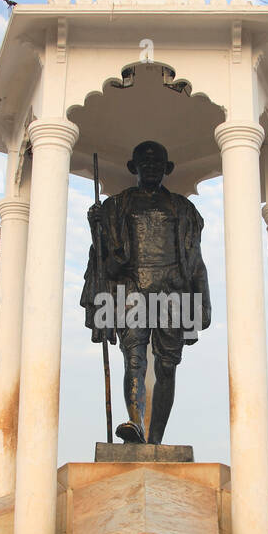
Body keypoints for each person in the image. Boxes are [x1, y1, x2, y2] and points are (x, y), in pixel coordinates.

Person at [80, 141, 211, 445]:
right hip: (132, 292)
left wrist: (200, 299)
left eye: (157, 164)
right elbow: (106, 263)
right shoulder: (114, 207)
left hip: (174, 295)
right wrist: (95, 228)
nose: (150, 168)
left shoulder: (183, 208)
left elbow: (195, 259)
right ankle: (135, 425)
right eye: (144, 163)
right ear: (133, 168)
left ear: (167, 169)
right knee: (134, 360)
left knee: (166, 366)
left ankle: (155, 440)